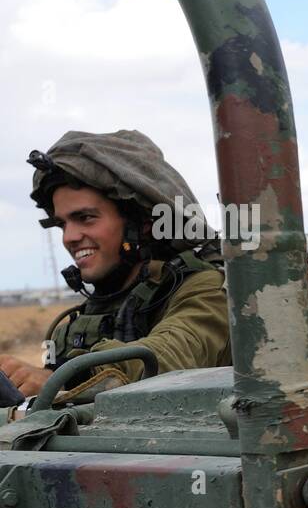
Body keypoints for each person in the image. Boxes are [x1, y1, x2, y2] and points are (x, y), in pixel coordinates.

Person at [1, 130, 229, 414]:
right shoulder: (82, 318)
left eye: (85, 218)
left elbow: (165, 357)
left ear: (143, 223)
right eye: (62, 224)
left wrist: (57, 382)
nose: (69, 237)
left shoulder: (206, 289)